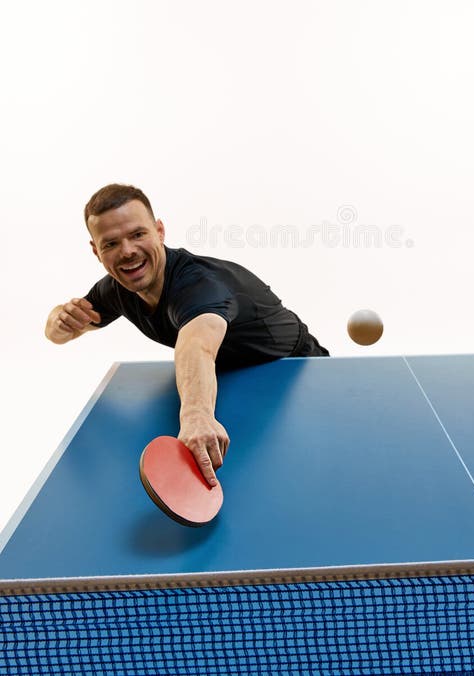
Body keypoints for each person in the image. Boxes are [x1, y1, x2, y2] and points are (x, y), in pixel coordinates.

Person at [45, 184, 328, 487]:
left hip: (295, 372)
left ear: (159, 231)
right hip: (228, 377)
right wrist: (58, 320)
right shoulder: (115, 290)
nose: (127, 251)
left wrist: (195, 415)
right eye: (111, 243)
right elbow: (65, 332)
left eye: (137, 234)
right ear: (96, 251)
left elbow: (197, 345)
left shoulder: (200, 286)